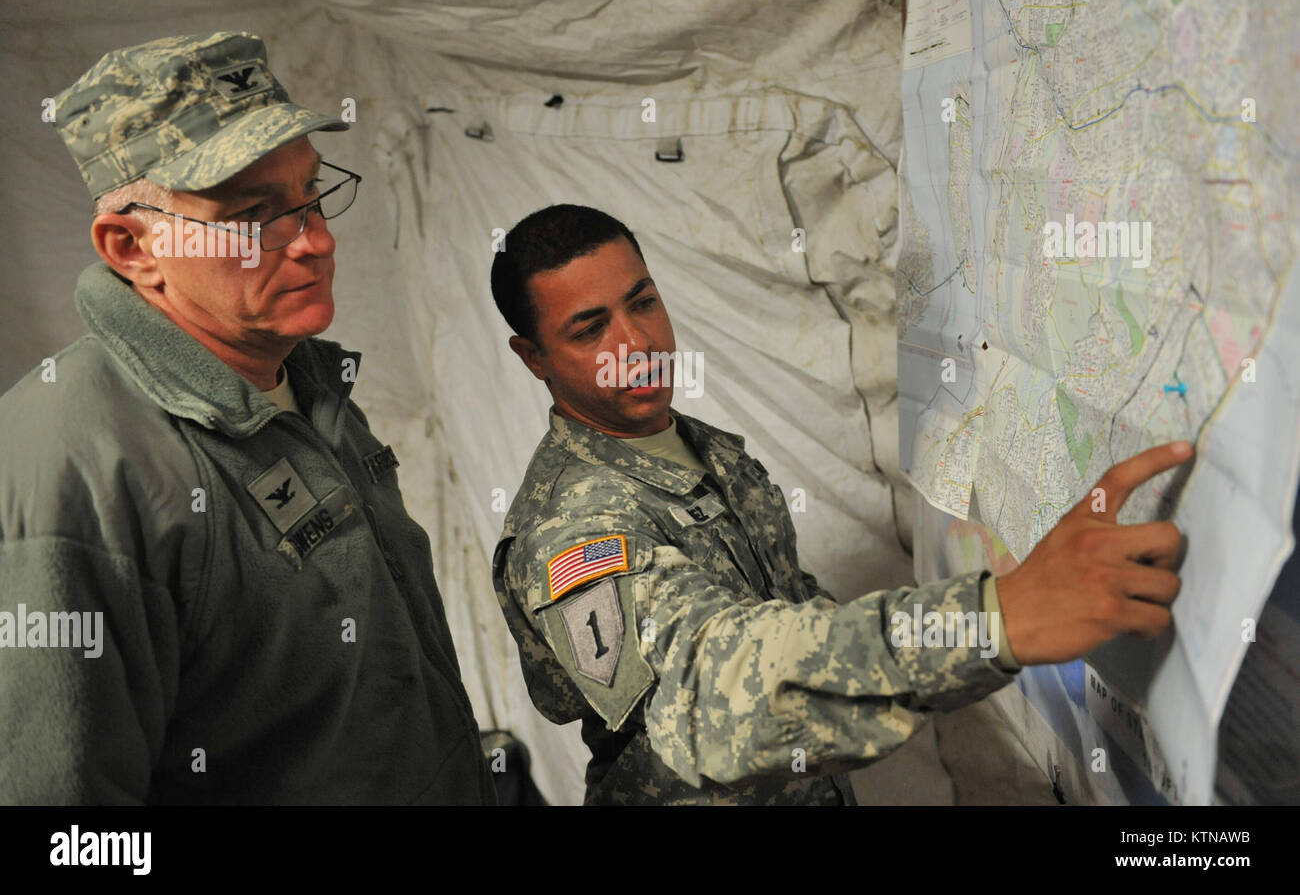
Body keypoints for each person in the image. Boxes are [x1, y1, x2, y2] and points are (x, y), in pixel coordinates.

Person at [489, 203, 1191, 804]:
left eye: (642, 302)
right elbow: (710, 689)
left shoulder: (705, 451)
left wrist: (995, 604)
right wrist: (993, 621)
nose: (635, 344)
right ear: (534, 357)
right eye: (590, 329)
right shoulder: (573, 526)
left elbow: (793, 617)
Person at [0, 31, 495, 804]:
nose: (319, 242)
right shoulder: (69, 469)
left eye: (312, 193)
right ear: (132, 247)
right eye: (256, 216)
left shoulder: (306, 376)